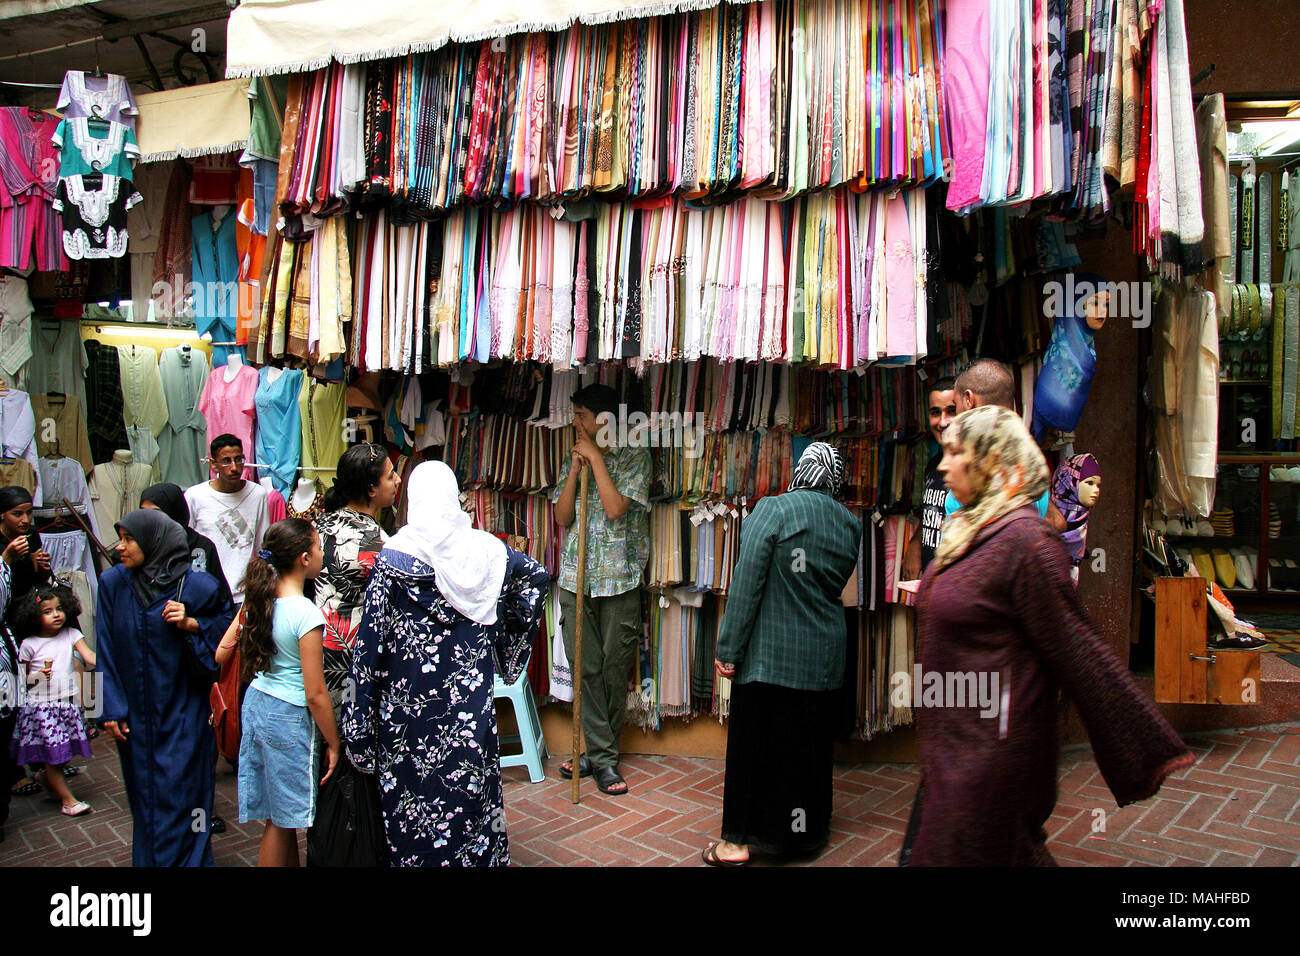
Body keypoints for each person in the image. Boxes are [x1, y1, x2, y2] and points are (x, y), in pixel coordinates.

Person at [907, 406, 1193, 865]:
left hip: (992, 763)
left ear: (992, 461)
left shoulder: (1027, 544)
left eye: (956, 452)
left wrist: (1146, 750)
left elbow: (1079, 649)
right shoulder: (970, 529)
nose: (943, 465)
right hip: (956, 754)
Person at [344, 461, 548, 866]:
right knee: (469, 790)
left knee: (412, 799)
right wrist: (504, 649)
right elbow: (536, 579)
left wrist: (358, 726)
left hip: (407, 712)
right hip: (466, 709)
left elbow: (368, 648)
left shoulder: (394, 560)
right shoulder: (487, 553)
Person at [703, 443, 861, 866]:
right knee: (806, 751)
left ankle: (737, 843)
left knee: (755, 747)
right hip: (824, 655)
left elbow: (747, 580)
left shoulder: (771, 510)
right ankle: (801, 838)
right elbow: (830, 585)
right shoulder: (849, 523)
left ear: (801, 470)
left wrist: (729, 648)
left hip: (771, 655)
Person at [97, 509, 234, 866]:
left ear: (154, 541)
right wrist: (109, 706)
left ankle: (194, 859)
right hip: (136, 719)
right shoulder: (113, 584)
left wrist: (191, 623)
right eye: (121, 538)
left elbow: (226, 630)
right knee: (145, 798)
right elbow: (105, 646)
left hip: (185, 710)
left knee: (189, 794)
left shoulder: (195, 585)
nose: (120, 547)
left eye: (129, 539)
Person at [217, 519, 337, 867]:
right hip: (288, 715)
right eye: (317, 547)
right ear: (303, 558)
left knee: (277, 816)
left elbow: (221, 653)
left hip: (258, 703)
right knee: (282, 818)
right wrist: (333, 742)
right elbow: (315, 692)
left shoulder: (257, 601)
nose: (322, 553)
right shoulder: (305, 614)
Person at [551, 384, 651, 796]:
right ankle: (605, 760)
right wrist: (576, 469)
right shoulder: (573, 457)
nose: (575, 423)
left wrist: (596, 459)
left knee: (611, 670)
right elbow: (561, 516)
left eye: (581, 416)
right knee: (584, 669)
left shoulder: (634, 456)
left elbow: (614, 508)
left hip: (618, 580)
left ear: (605, 421)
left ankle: (596, 752)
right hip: (576, 578)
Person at [304, 444, 399, 867]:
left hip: (319, 651)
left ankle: (328, 837)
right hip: (355, 660)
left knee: (326, 750)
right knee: (354, 754)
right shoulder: (373, 539)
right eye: (391, 475)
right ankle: (357, 843)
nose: (397, 481)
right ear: (371, 487)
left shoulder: (319, 526)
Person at [9, 585, 95, 817]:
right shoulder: (29, 645)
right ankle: (68, 801)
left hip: (67, 704)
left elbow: (89, 656)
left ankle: (45, 777)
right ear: (34, 615)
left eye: (59, 609)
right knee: (54, 754)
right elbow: (22, 678)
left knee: (62, 754)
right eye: (47, 611)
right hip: (42, 708)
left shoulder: (71, 634)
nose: (56, 614)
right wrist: (36, 676)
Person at [942, 360, 1053, 523]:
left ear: (968, 399)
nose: (954, 417)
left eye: (955, 405)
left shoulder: (970, 476)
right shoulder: (1034, 469)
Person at [185, 435, 270, 608]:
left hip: (245, 594)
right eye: (226, 461)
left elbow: (263, 545)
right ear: (213, 463)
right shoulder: (195, 496)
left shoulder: (257, 494)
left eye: (239, 459)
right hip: (209, 591)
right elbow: (190, 545)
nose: (234, 467)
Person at [140, 482, 233, 606]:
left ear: (173, 512)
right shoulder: (138, 549)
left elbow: (217, 598)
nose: (149, 519)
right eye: (143, 512)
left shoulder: (199, 548)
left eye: (156, 512)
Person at [903, 377, 956, 581]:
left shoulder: (974, 466)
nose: (942, 422)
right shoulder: (934, 465)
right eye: (935, 413)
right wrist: (916, 544)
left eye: (951, 411)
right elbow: (932, 514)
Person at [1049, 453, 1103, 584]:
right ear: (1071, 482)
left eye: (1098, 485)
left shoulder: (1081, 517)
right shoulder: (1046, 513)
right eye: (1089, 483)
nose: (1096, 490)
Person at [0, 486, 53, 612]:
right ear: (2, 514)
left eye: (29, 513)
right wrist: (7, 556)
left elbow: (40, 579)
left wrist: (42, 567)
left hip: (30, 604)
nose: (25, 520)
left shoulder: (31, 533)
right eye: (17, 514)